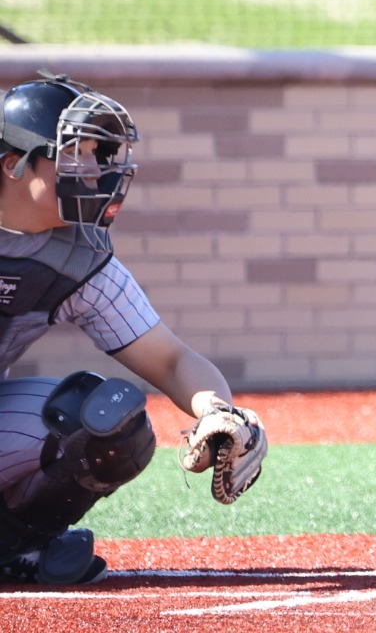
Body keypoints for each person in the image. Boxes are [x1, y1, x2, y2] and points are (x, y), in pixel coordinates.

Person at [0, 73, 267, 585]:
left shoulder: (77, 255)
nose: (96, 170)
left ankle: (13, 549)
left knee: (107, 420)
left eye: (99, 155)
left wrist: (219, 412)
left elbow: (169, 359)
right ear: (14, 164)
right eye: (75, 152)